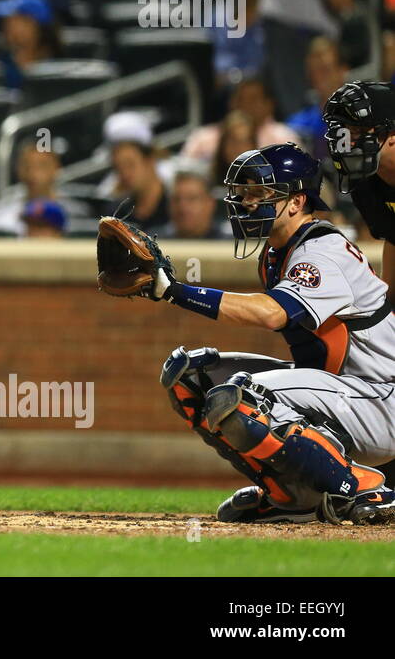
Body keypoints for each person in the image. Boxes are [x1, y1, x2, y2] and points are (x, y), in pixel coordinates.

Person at [113, 143, 395, 524]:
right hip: (344, 390)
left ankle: (365, 488)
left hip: (380, 398)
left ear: (296, 202)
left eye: (260, 193)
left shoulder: (322, 251)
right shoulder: (278, 253)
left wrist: (174, 291)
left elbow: (271, 314)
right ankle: (292, 497)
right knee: (190, 376)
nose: (246, 202)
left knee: (245, 397)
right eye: (243, 192)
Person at [323, 81, 395, 286]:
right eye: (344, 131)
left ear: (392, 135)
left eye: (356, 130)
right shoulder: (365, 182)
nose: (347, 142)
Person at [181, 78, 300, 164]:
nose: (245, 104)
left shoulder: (284, 139)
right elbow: (184, 172)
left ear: (269, 105)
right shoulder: (202, 137)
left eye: (253, 99)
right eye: (240, 99)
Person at [0, 139, 88, 234]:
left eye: (42, 166)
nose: (33, 174)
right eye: (27, 166)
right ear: (18, 169)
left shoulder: (78, 215)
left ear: (56, 168)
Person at [110, 138, 169, 232]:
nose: (125, 174)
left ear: (150, 161)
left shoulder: (175, 207)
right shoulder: (117, 212)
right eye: (119, 168)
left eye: (130, 164)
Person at [161, 169, 224, 240]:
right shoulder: (154, 243)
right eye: (176, 199)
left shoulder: (230, 245)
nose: (182, 206)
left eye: (192, 198)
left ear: (210, 203)